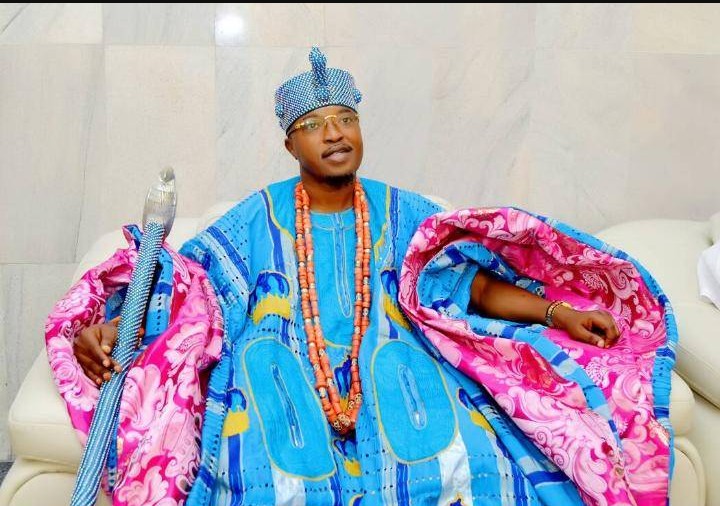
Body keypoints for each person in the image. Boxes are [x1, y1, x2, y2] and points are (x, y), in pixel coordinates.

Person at [69, 47, 649, 505]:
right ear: (290, 143)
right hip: (280, 367)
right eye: (315, 124)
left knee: (470, 458)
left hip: (401, 364)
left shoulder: (405, 211)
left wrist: (557, 312)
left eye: (346, 119)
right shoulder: (253, 217)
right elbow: (190, 292)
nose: (335, 134)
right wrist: (119, 328)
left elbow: (468, 285)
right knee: (263, 471)